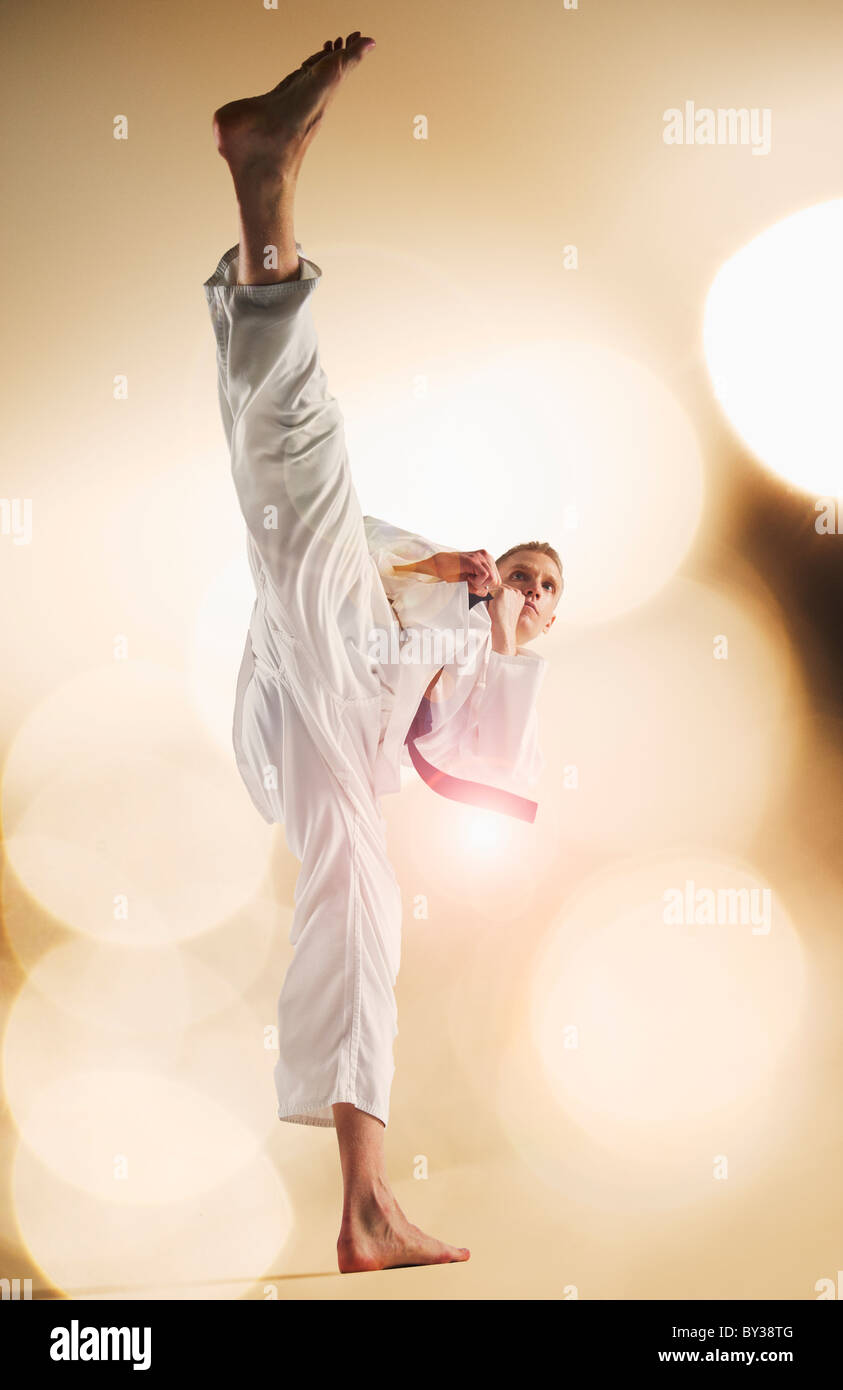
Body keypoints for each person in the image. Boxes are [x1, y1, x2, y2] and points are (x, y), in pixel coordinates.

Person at [202, 32, 563, 1274]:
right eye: (525, 565)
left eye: (550, 589)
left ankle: (363, 1205)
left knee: (362, 923)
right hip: (317, 649)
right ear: (494, 555)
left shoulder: (491, 654)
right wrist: (446, 576)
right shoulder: (428, 572)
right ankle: (265, 189)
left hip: (337, 736)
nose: (531, 587)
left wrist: (506, 641)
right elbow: (342, 534)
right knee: (285, 447)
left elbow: (475, 769)